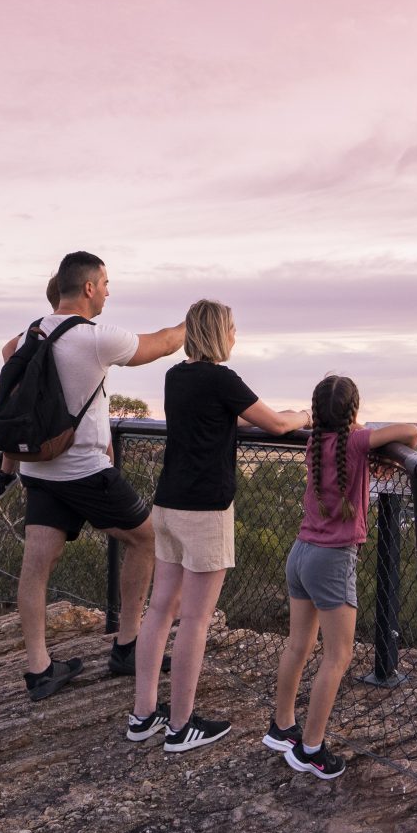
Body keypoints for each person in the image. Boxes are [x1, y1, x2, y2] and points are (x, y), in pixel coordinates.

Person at [128, 300, 309, 752]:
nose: (235, 338)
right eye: (232, 330)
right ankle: (181, 725)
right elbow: (278, 425)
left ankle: (143, 714)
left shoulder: (175, 377)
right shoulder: (222, 380)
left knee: (159, 609)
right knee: (196, 619)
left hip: (167, 504)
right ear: (218, 333)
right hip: (206, 510)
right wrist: (306, 416)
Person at [12, 251, 184, 701]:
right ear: (88, 288)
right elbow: (163, 344)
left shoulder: (33, 332)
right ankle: (127, 646)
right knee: (147, 539)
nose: (109, 290)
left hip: (39, 469)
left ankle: (39, 669)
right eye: (106, 283)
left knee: (36, 567)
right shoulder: (94, 338)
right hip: (85, 471)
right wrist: (197, 321)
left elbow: (8, 353)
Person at [268, 374, 417, 779]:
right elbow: (412, 431)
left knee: (298, 644)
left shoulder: (315, 442)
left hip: (301, 553)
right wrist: (365, 435)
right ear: (354, 412)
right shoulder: (355, 442)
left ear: (316, 412)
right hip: (332, 560)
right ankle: (311, 748)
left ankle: (282, 726)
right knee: (338, 656)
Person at [0, 273, 62, 500]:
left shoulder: (40, 327)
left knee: (18, 419)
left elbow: (7, 347)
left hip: (39, 396)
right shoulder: (45, 327)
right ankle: (6, 473)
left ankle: (5, 473)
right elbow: (7, 348)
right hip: (41, 395)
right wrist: (25, 378)